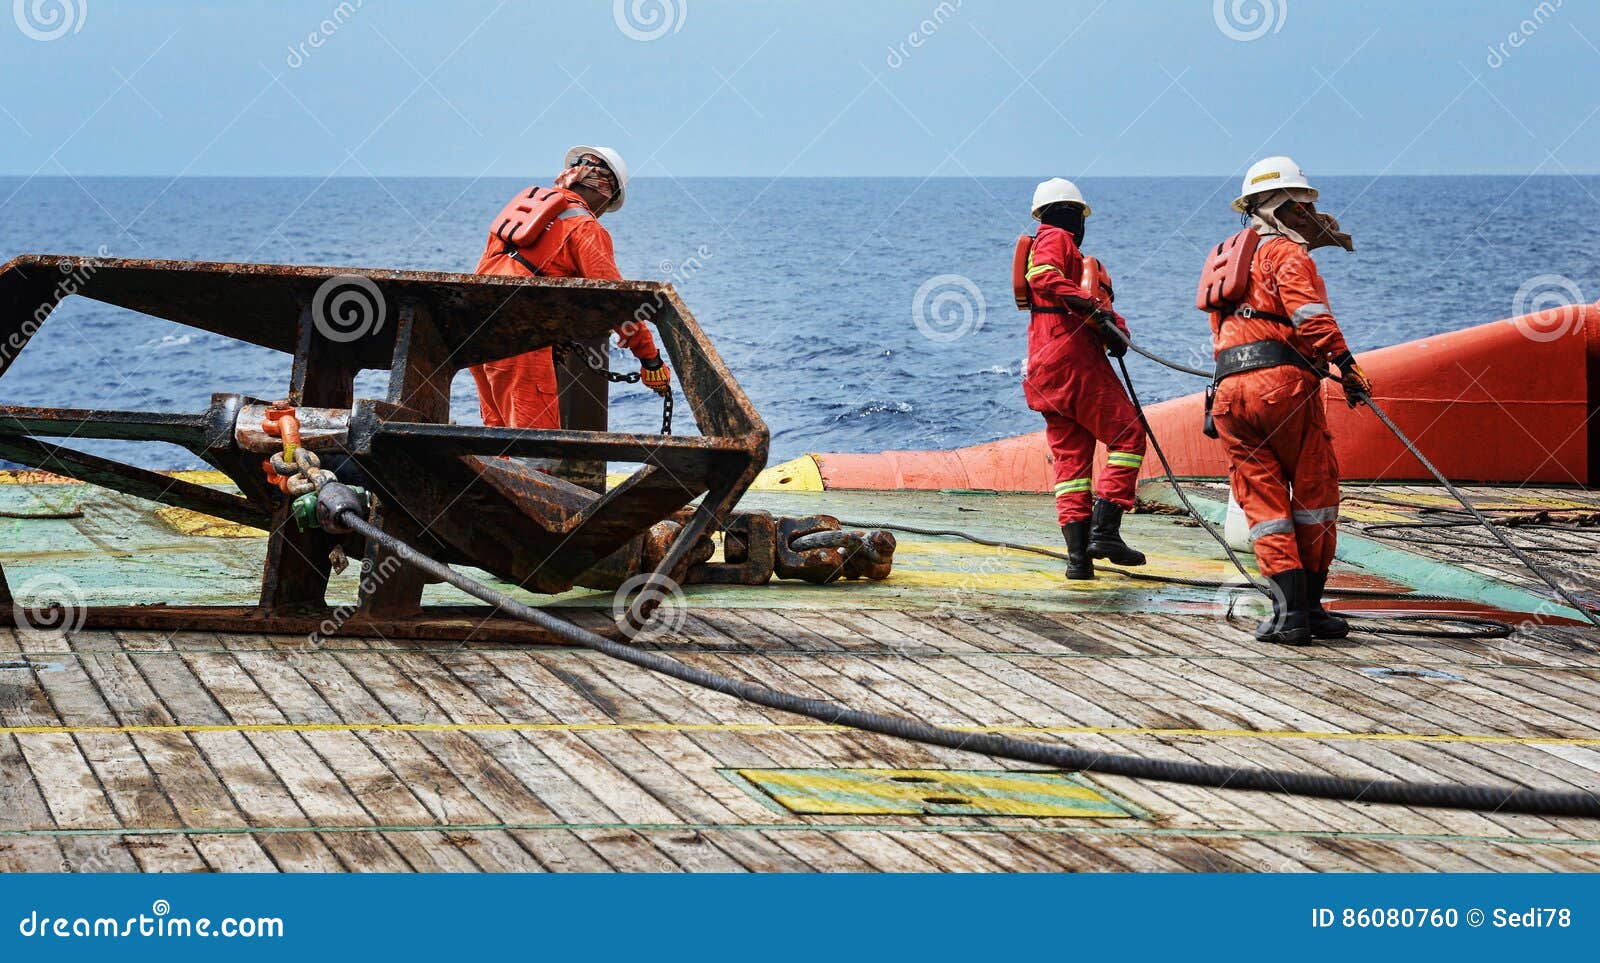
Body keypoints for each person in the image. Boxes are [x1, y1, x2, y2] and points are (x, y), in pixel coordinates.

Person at [1203, 155, 1370, 644]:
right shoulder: (1285, 254)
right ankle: (1310, 607)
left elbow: (1223, 332)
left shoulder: (1225, 260)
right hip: (1282, 390)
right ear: (1284, 208)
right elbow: (1309, 315)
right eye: (1300, 208)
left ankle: (1287, 615)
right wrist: (1347, 364)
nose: (1305, 218)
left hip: (1229, 393)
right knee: (1315, 493)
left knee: (1263, 502)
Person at [469, 145, 671, 430]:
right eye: (607, 205)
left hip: (474, 334)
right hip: (520, 342)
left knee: (497, 436)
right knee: (532, 445)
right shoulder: (585, 227)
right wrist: (651, 361)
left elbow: (487, 271)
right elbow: (616, 302)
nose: (601, 213)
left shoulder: (518, 215)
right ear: (604, 192)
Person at [1020, 178, 1148, 580]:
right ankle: (1106, 531)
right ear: (1073, 214)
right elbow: (1044, 276)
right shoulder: (1056, 238)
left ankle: (1079, 561)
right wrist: (1096, 311)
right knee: (1128, 435)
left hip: (1043, 367)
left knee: (1072, 463)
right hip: (1072, 359)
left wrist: (1114, 327)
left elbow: (1085, 301)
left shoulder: (1063, 252)